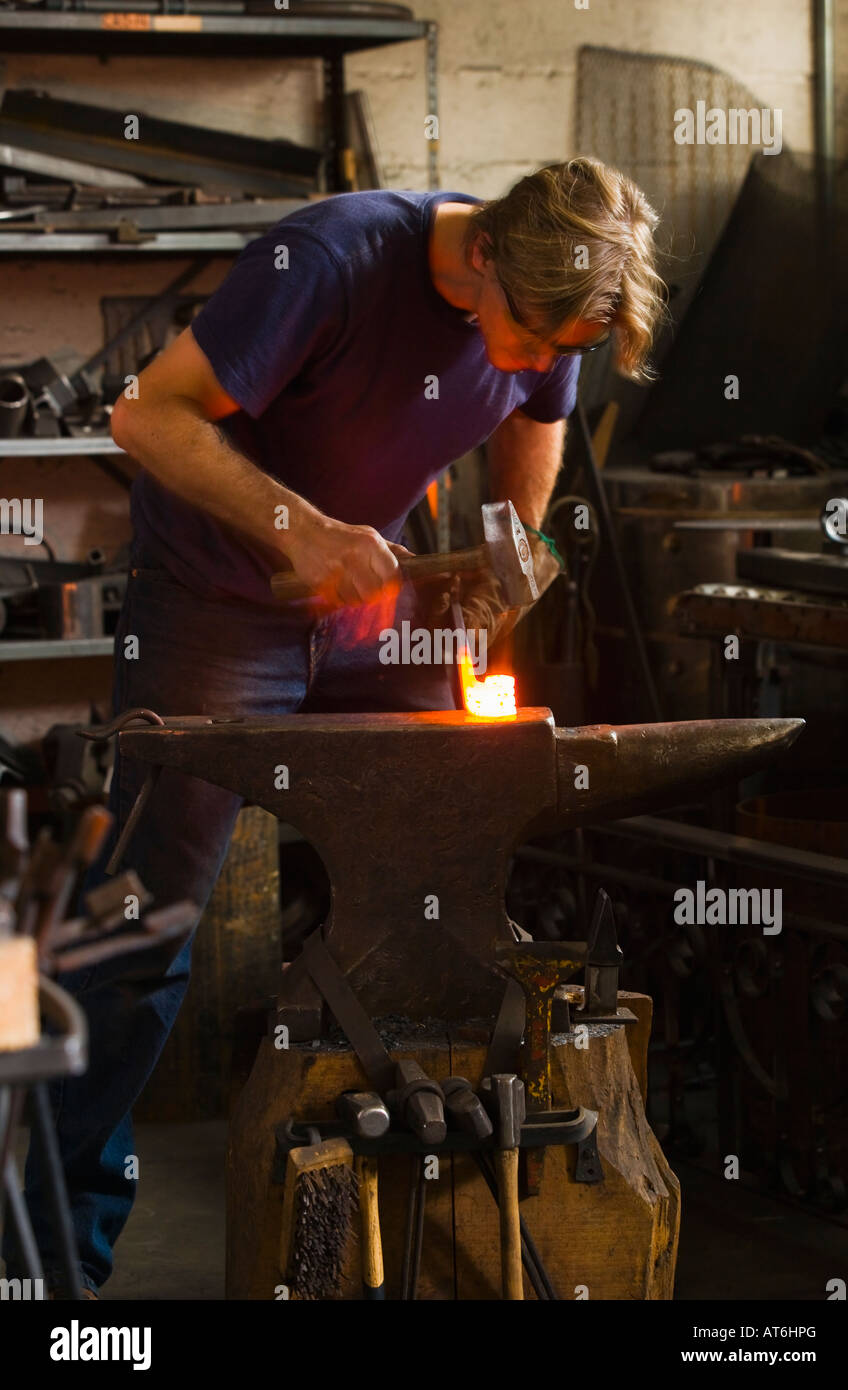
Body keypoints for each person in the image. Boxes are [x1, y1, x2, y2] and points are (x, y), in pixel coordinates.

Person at [5, 156, 663, 1297]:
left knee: (438, 880)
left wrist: (511, 541)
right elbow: (142, 414)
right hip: (217, 608)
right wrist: (297, 531)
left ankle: (419, 1223)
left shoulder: (540, 321)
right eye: (527, 334)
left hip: (385, 610)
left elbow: (537, 420)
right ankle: (46, 1266)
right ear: (483, 255)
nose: (535, 362)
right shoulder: (324, 260)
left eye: (566, 347)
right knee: (141, 925)